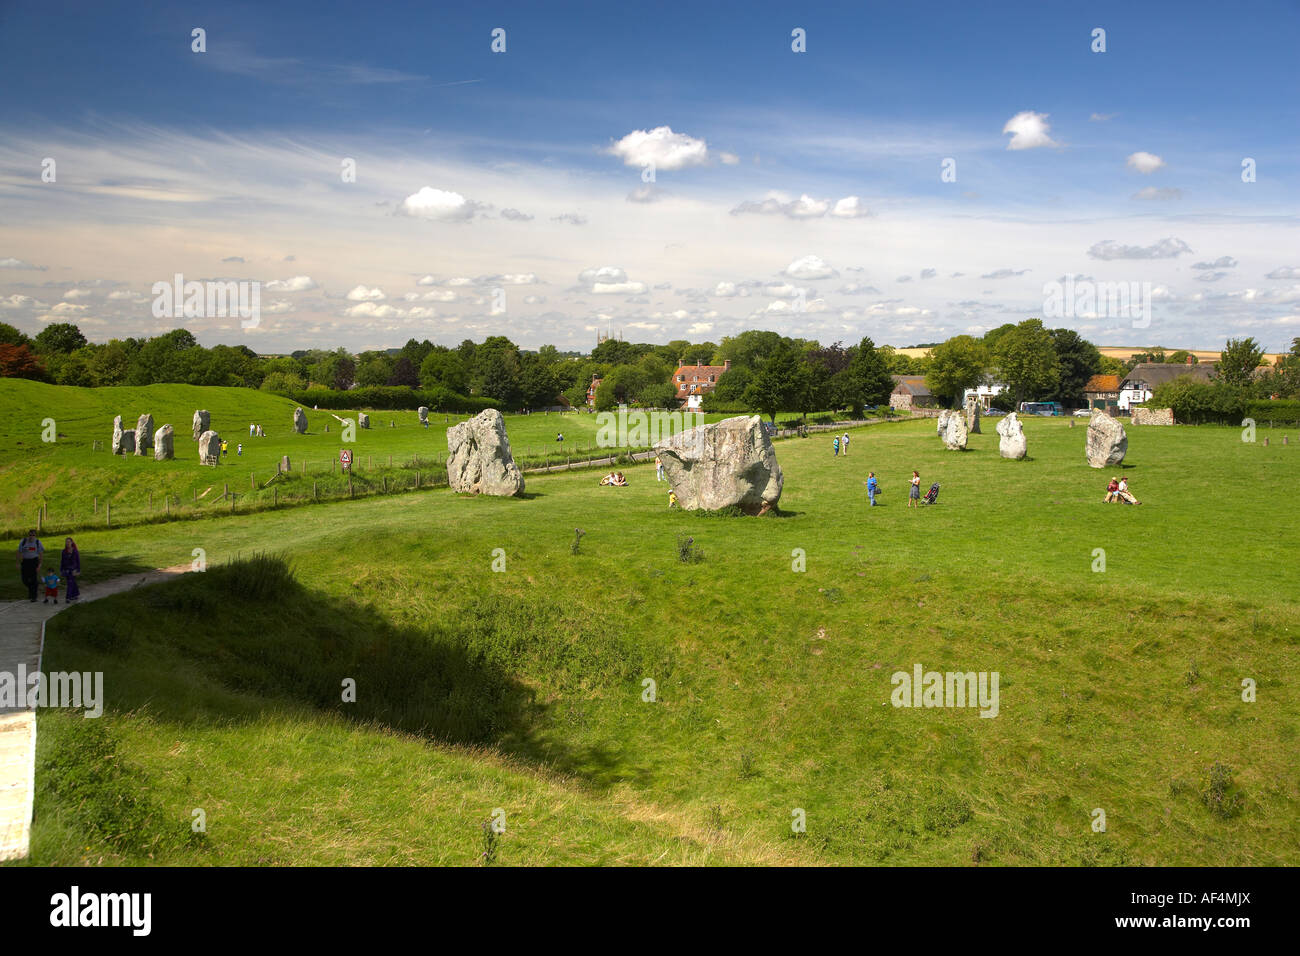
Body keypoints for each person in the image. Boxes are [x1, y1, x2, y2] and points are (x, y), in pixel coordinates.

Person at [17, 529, 43, 602]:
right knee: (24, 580)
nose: (31, 537)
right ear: (28, 535)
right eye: (30, 535)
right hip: (25, 562)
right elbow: (19, 552)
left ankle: (33, 597)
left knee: (33, 579)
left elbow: (41, 554)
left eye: (33, 535)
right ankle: (32, 589)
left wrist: (39, 565)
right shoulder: (23, 541)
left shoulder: (38, 542)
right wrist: (18, 563)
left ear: (35, 536)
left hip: (34, 561)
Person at [60, 537, 80, 602]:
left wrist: (78, 570)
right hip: (66, 569)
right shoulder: (63, 551)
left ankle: (68, 597)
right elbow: (62, 561)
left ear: (71, 542)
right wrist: (61, 570)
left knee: (70, 582)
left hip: (73, 569)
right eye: (66, 542)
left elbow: (78, 561)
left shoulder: (75, 551)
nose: (67, 543)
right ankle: (75, 594)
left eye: (69, 542)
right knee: (72, 582)